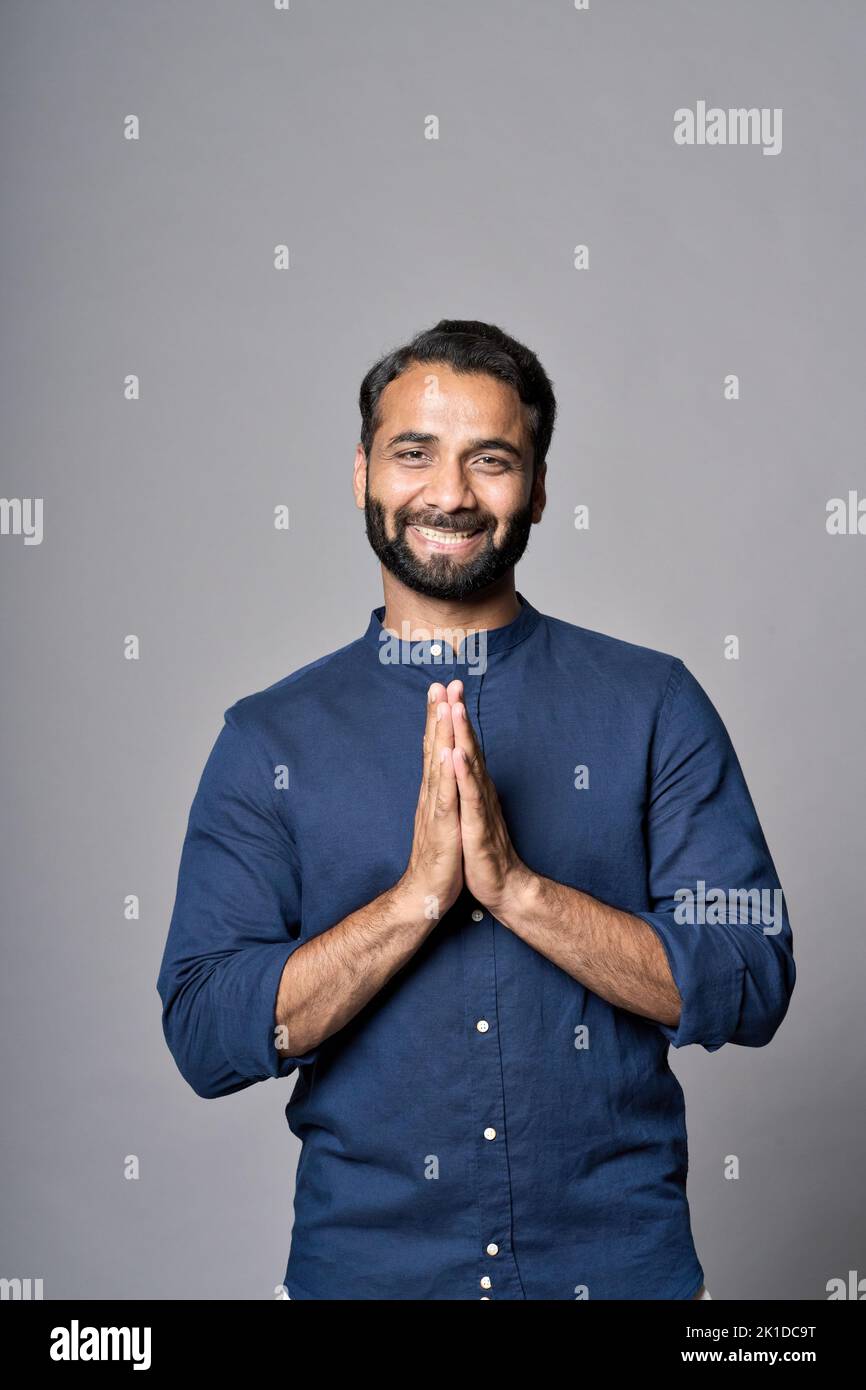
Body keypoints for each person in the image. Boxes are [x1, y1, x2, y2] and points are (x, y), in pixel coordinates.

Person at [157, 319, 796, 1300]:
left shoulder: (651, 703)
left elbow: (749, 976)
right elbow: (207, 1032)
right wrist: (414, 899)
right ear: (363, 470)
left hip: (620, 1277)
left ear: (536, 487)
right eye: (413, 453)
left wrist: (517, 890)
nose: (449, 493)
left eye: (489, 460)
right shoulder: (268, 740)